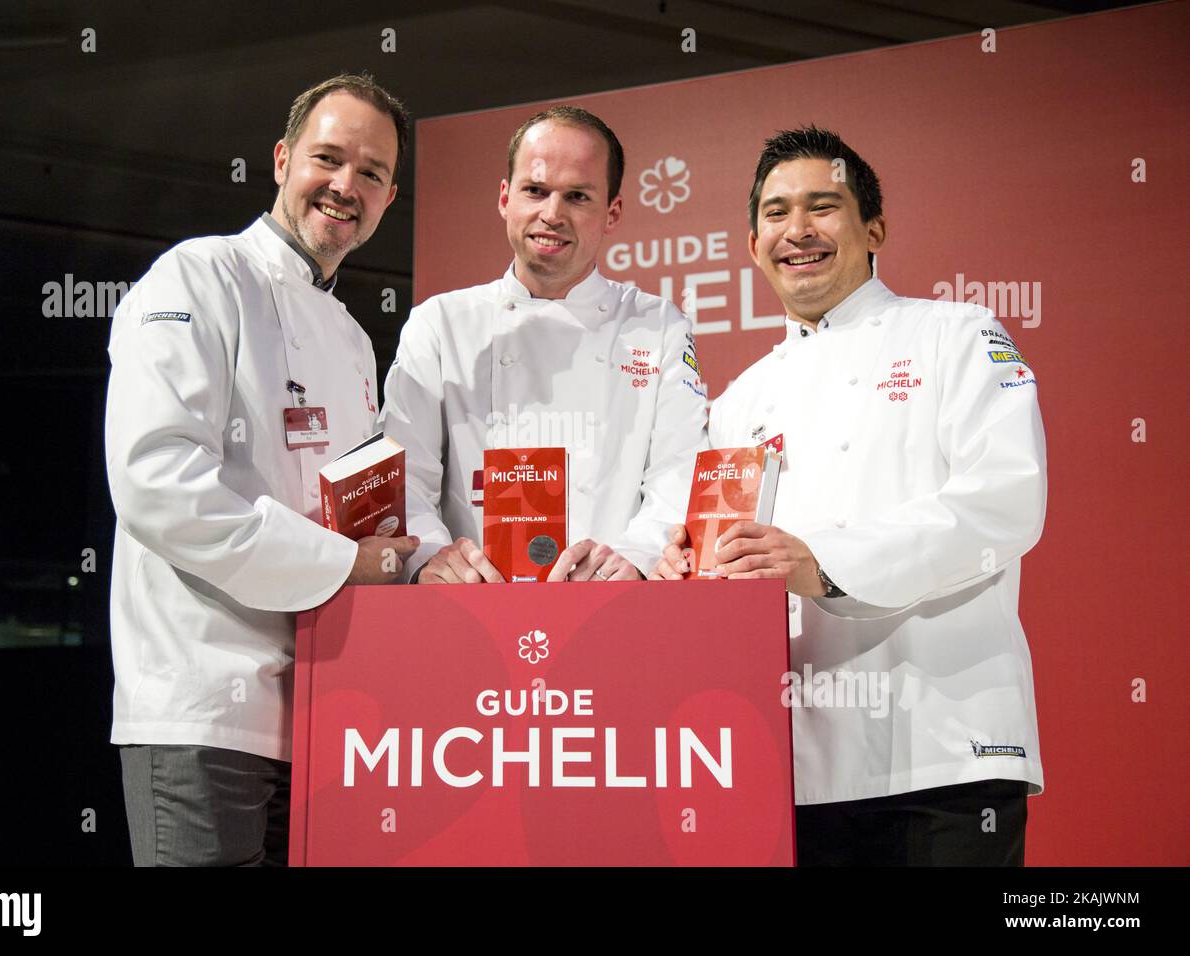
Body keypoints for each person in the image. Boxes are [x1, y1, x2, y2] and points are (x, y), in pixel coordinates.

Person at [652, 126, 1047, 866]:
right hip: (792, 761)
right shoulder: (739, 402)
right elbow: (737, 566)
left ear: (874, 229)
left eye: (822, 206)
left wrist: (822, 562)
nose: (796, 230)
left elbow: (1004, 502)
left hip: (942, 746)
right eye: (775, 214)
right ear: (751, 245)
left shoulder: (958, 334)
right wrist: (694, 568)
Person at [104, 74, 418, 866]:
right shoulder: (196, 277)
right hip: (202, 702)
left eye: (373, 174)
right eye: (329, 158)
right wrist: (344, 563)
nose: (347, 186)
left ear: (388, 198)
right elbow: (157, 482)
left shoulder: (351, 339)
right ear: (281, 160)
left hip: (322, 713)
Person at [380, 106, 708, 585]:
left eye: (577, 196)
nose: (552, 215)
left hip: (611, 605)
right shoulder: (440, 323)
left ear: (612, 212)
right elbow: (405, 473)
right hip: (470, 605)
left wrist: (636, 557)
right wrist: (431, 556)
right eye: (535, 190)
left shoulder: (658, 326)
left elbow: (682, 468)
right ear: (505, 198)